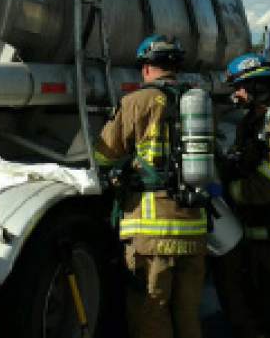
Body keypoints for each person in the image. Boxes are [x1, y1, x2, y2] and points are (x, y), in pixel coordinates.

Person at [94, 35, 208, 338]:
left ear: (145, 68)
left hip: (153, 232)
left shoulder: (137, 101)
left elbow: (105, 154)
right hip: (195, 227)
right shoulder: (197, 101)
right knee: (187, 315)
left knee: (151, 314)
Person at [213, 53, 270, 338]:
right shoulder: (252, 121)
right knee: (253, 311)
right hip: (255, 234)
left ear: (259, 87)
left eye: (241, 88)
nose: (237, 94)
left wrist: (232, 192)